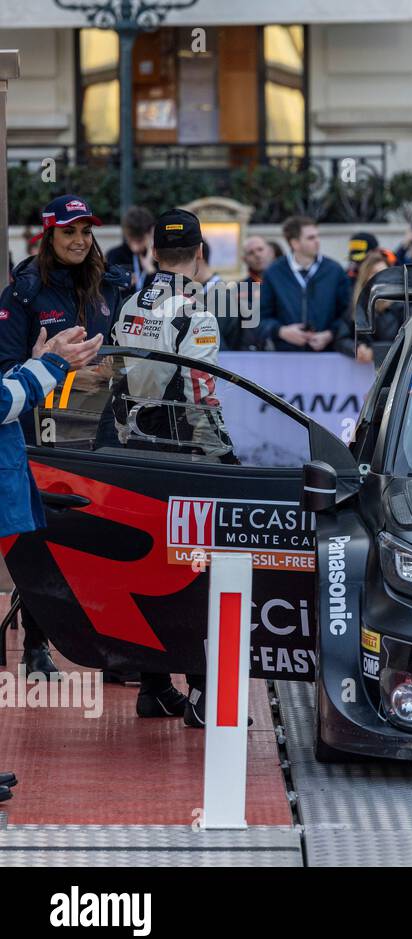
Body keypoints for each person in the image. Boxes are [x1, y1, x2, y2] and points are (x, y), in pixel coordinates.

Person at [0, 194, 130, 677]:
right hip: (41, 436)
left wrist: (112, 372)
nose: (79, 240)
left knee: (105, 536)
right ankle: (38, 646)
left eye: (86, 231)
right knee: (45, 542)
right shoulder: (24, 293)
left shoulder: (112, 285)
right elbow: (7, 372)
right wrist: (64, 373)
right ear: (49, 236)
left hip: (101, 432)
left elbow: (127, 354)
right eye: (69, 231)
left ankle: (118, 651)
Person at [109, 208, 227, 721]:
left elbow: (118, 377)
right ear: (200, 253)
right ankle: (203, 694)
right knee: (198, 571)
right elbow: (201, 396)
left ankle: (154, 685)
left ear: (153, 252)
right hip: (183, 456)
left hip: (133, 452)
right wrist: (224, 460)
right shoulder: (196, 312)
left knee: (147, 567)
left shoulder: (132, 303)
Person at [256, 216, 352, 352]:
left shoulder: (334, 271)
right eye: (311, 238)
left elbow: (347, 313)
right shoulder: (274, 272)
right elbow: (260, 317)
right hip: (285, 357)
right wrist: (281, 331)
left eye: (317, 236)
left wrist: (330, 334)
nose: (317, 241)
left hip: (327, 356)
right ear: (295, 243)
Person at [337, 250, 406, 365]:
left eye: (384, 272)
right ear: (365, 277)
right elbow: (341, 339)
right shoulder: (355, 307)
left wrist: (374, 352)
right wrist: (356, 348)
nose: (381, 277)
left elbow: (408, 342)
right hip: (361, 374)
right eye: (375, 273)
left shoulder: (401, 307)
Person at [106, 205, 155, 294]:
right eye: (131, 240)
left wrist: (150, 269)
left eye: (140, 240)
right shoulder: (115, 255)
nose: (135, 247)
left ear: (150, 233)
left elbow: (166, 292)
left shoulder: (158, 257)